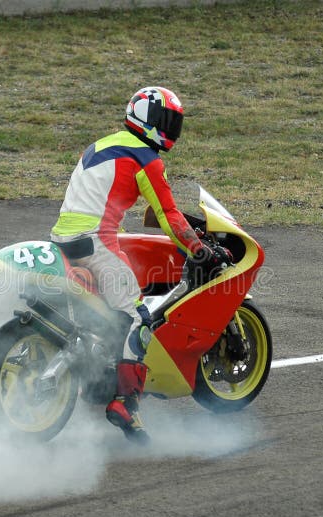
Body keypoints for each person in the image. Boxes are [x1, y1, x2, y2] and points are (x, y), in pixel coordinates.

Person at [50, 86, 213, 442]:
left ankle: (96, 366)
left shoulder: (102, 144)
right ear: (148, 119)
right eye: (166, 120)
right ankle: (125, 403)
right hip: (96, 241)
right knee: (139, 318)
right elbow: (168, 215)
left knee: (111, 310)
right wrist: (198, 250)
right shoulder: (147, 160)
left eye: (174, 122)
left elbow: (130, 203)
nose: (170, 129)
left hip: (63, 238)